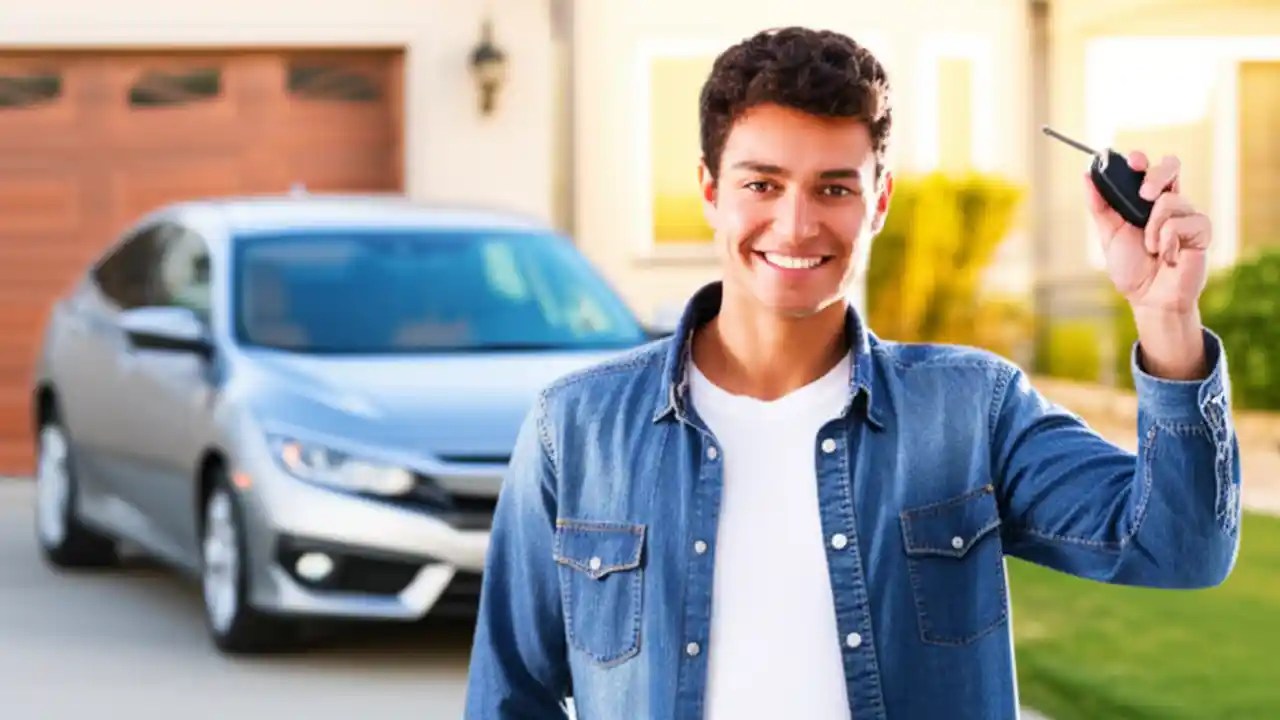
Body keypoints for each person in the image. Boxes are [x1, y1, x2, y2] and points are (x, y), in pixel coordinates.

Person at [464, 26, 1242, 720]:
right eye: (761, 184)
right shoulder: (578, 427)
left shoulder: (969, 410)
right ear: (709, 189)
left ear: (878, 202)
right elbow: (510, 697)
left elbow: (1179, 550)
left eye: (834, 187)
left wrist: (1164, 314)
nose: (797, 224)